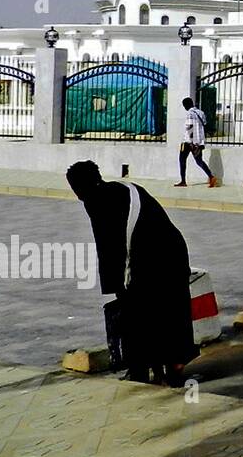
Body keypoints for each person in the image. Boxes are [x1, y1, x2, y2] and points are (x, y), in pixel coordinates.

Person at [66, 160, 199, 386]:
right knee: (170, 312)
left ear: (80, 190)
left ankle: (144, 370)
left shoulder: (95, 200)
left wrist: (113, 292)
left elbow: (108, 248)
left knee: (137, 315)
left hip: (154, 259)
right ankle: (166, 368)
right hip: (172, 252)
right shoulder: (124, 188)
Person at [176, 96, 217, 187]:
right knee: (199, 161)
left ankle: (183, 181)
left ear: (186, 105)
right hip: (199, 142)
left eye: (184, 106)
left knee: (182, 160)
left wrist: (191, 143)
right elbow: (204, 124)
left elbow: (190, 127)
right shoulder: (201, 113)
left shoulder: (190, 114)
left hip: (188, 142)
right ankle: (211, 177)